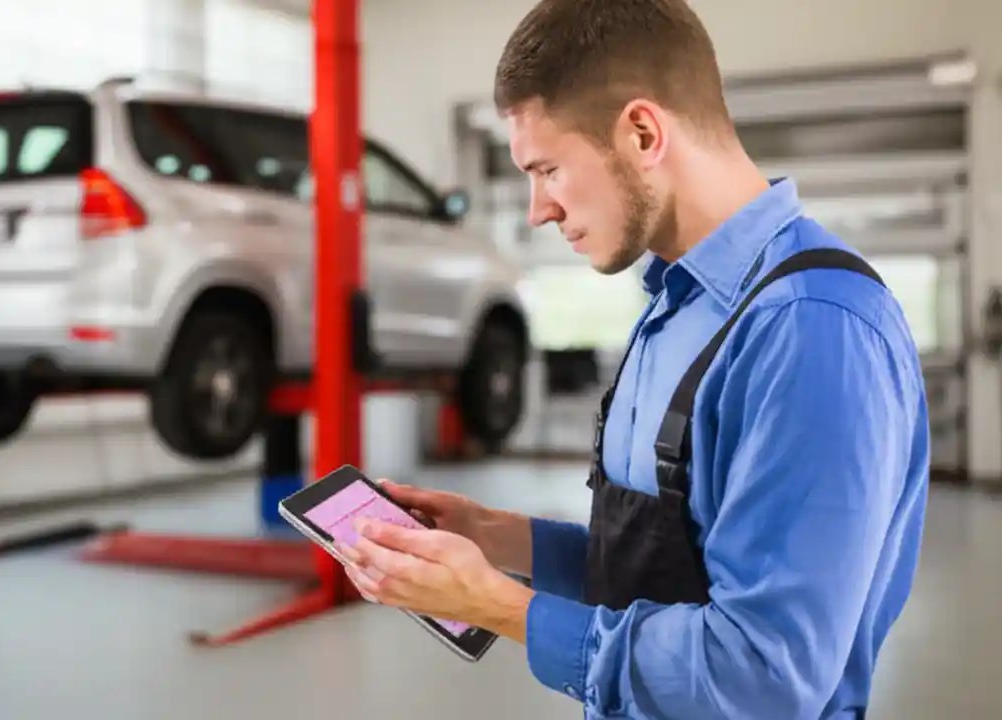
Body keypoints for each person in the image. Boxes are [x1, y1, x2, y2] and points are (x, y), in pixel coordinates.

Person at [334, 0, 930, 718]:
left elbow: (763, 679)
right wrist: (495, 537)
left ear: (643, 133)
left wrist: (500, 608)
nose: (537, 210)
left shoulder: (810, 329)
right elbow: (666, 566)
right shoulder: (676, 303)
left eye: (548, 168)